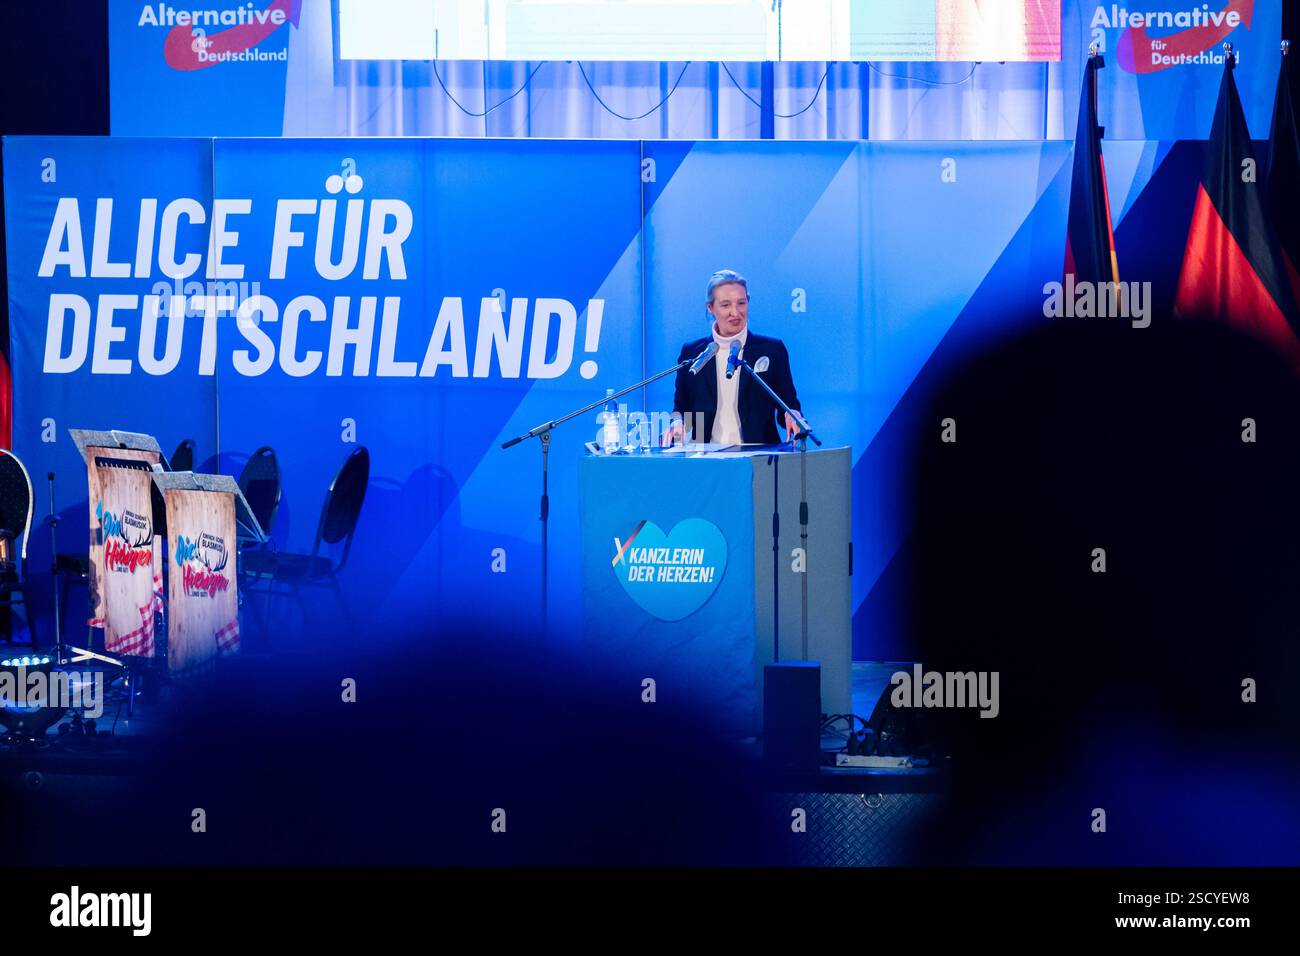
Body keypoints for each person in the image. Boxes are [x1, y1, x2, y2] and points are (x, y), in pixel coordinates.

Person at [668, 269, 802, 446]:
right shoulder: (693, 353)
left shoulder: (772, 350)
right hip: (705, 459)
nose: (735, 312)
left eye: (741, 303)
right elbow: (681, 409)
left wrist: (791, 413)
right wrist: (677, 423)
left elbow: (788, 404)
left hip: (758, 459)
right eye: (725, 305)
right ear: (710, 308)